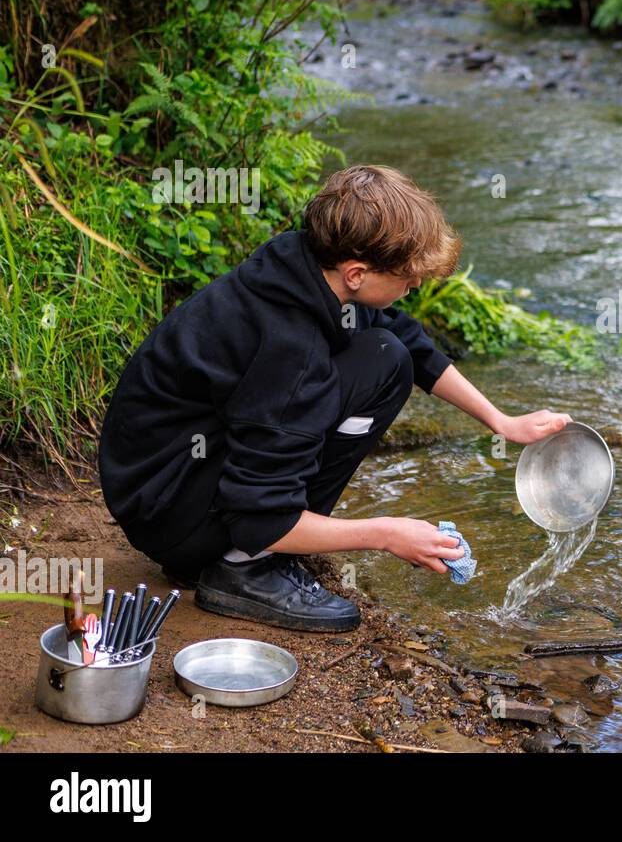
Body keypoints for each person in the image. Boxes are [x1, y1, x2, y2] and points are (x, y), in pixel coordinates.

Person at [98, 165, 570, 631]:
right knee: (271, 511)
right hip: (168, 512)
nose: (415, 286)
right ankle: (244, 568)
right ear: (358, 273)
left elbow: (407, 341)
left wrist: (501, 421)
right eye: (408, 277)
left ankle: (257, 546)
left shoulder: (303, 265)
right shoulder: (292, 351)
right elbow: (258, 513)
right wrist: (387, 534)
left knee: (389, 355)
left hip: (169, 475)